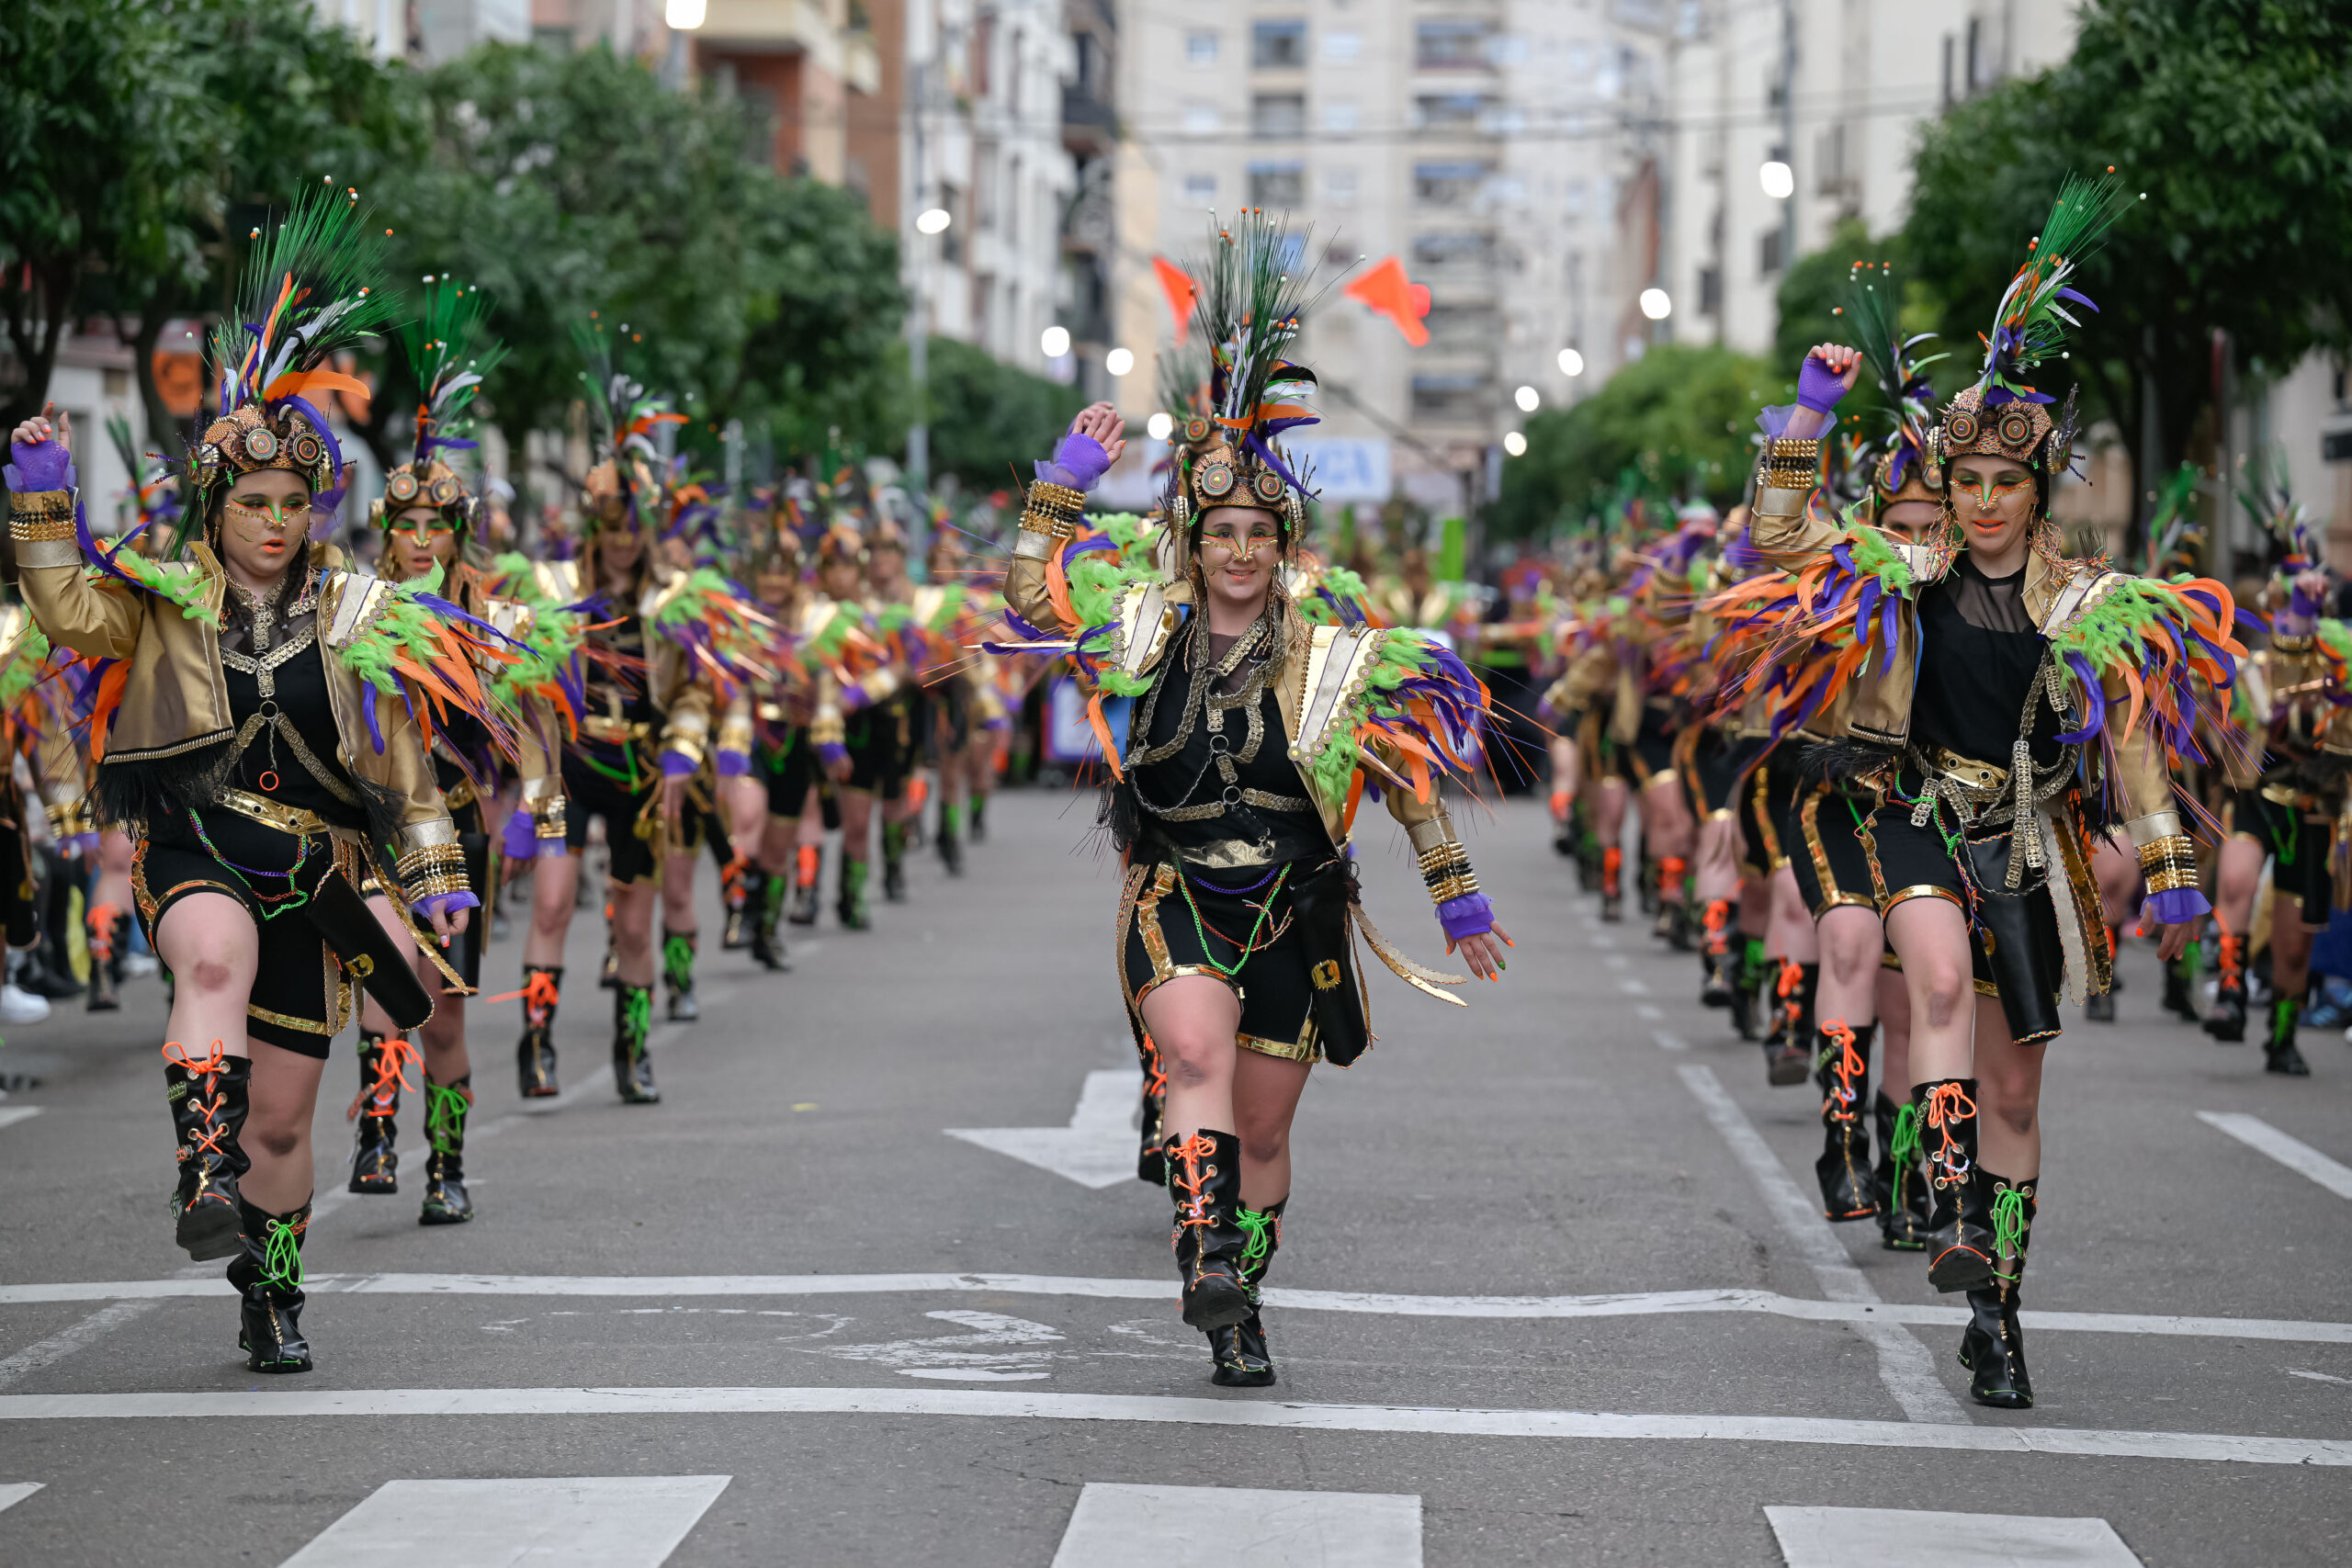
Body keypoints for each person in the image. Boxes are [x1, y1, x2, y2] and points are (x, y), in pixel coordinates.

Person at [1729, 175, 2245, 1408]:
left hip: (2037, 844)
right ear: (1948, 485)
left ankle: (1997, 1308)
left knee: (2018, 1086)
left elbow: (2129, 735)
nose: (1985, 499)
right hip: (1916, 816)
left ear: (2040, 485)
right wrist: (1807, 411)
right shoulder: (1904, 572)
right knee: (1937, 978)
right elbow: (1781, 539)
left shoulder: (2089, 601)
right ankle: (1949, 1196)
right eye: (1966, 479)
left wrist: (2169, 862)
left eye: (2006, 482)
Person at [995, 214, 1511, 1389]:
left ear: (1283, 544)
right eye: (1217, 530)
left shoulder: (1336, 652)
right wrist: (1060, 485)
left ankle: (1243, 1303)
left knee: (1267, 1128)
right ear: (1189, 536)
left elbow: (1403, 775)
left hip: (1296, 901)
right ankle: (1204, 1260)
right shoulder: (1135, 620)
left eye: (1256, 532)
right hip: (1176, 885)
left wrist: (1457, 895)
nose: (1236, 550)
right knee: (1190, 1058)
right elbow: (1029, 597)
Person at [4, 184, 503, 1371]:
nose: (273, 521)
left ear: (313, 507)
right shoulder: (166, 591)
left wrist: (435, 879)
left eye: (292, 503)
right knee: (210, 958)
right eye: (251, 501)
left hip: (318, 874)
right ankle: (200, 1169)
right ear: (215, 506)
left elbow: (400, 768)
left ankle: (269, 1285)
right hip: (197, 842)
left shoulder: (363, 613)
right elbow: (66, 611)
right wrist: (40, 498)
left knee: (285, 1116)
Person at [345, 278, 582, 1223]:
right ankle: (373, 1132)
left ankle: (445, 1164)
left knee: (441, 1009)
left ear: (456, 536)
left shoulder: (501, 619)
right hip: (369, 828)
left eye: (431, 527)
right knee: (382, 974)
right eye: (400, 527)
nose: (413, 542)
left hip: (464, 830)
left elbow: (536, 730)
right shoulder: (353, 611)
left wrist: (546, 824)